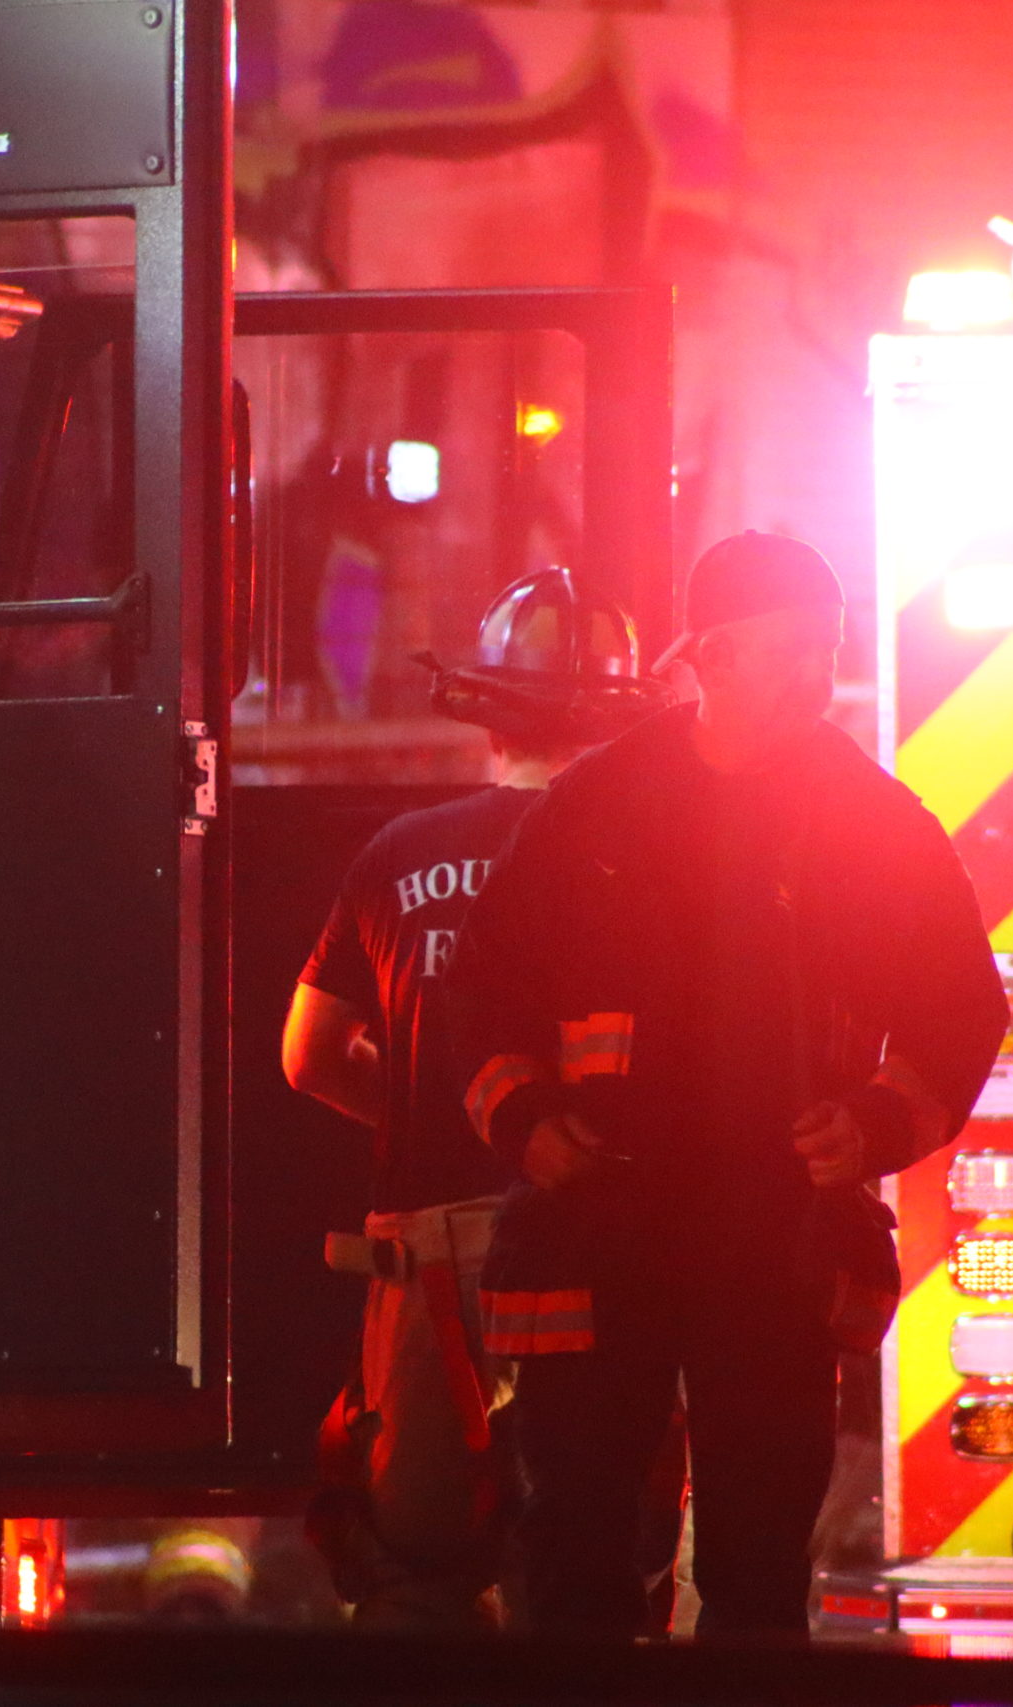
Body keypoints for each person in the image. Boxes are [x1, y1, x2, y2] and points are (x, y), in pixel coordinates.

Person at [449, 531, 1007, 1640]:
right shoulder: (593, 808)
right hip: (601, 1226)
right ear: (710, 656)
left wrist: (877, 1123)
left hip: (776, 1238)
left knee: (757, 1566)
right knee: (575, 1548)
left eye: (828, 648)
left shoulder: (873, 823)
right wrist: (522, 1118)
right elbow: (481, 985)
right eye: (790, 651)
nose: (817, 675)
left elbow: (961, 1007)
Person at [284, 568, 665, 1626]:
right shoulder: (653, 868)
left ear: (483, 707)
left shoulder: (395, 858)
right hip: (609, 1250)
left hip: (432, 1268)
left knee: (418, 1579)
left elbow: (306, 1057)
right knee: (602, 1573)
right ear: (622, 718)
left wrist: (429, 1110)